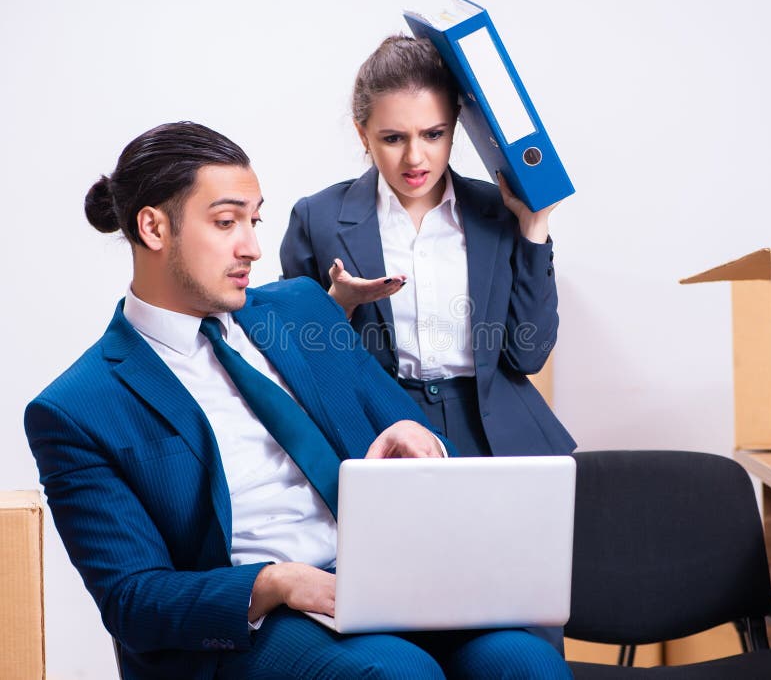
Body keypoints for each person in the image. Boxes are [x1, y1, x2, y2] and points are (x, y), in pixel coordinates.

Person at [25, 122, 572, 680]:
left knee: (526, 661)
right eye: (225, 222)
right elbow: (132, 599)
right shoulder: (78, 407)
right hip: (259, 621)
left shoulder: (302, 310)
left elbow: (420, 441)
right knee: (396, 673)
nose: (253, 249)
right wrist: (276, 582)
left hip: (385, 579)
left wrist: (416, 445)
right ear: (153, 227)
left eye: (254, 220)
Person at [280, 36, 575, 470]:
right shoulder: (317, 219)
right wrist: (335, 307)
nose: (415, 158)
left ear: (456, 123)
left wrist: (534, 228)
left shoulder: (498, 212)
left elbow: (527, 355)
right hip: (381, 429)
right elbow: (297, 365)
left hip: (495, 434)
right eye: (393, 138)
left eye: (433, 134)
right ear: (363, 134)